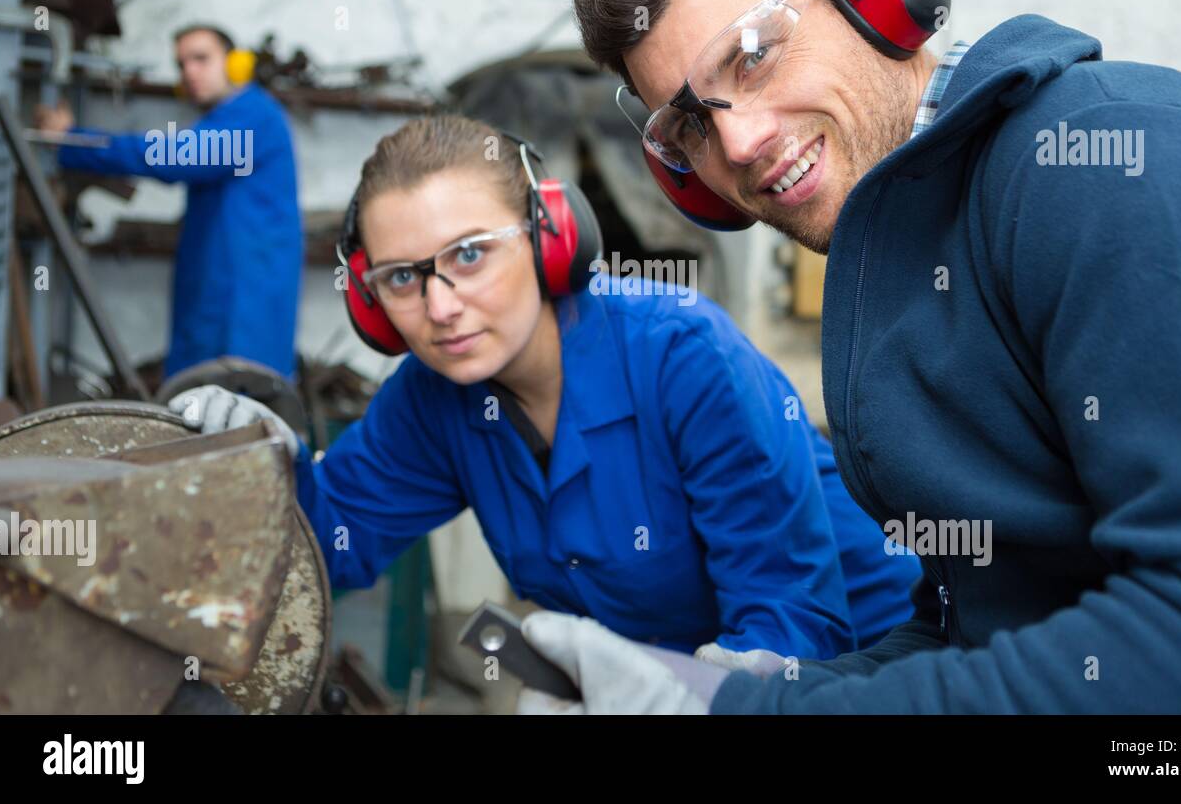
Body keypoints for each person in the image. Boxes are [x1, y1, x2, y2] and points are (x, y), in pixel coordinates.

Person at [513, 0, 1181, 713]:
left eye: (753, 54)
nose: (738, 141)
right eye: (693, 124)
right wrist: (775, 686)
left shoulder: (1114, 164)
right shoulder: (899, 260)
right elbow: (980, 626)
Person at [169, 112, 921, 661]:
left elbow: (792, 624)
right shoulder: (432, 401)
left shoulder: (681, 356)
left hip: (878, 671)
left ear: (549, 237)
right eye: (401, 277)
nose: (439, 307)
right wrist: (261, 468)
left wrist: (698, 696)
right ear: (369, 301)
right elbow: (328, 543)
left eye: (468, 256)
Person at [36, 25, 302, 379]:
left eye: (201, 59)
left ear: (237, 64)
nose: (190, 72)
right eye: (181, 64)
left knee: (244, 408)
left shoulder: (256, 117)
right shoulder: (223, 121)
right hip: (215, 294)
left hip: (243, 304)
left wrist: (75, 141)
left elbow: (177, 156)